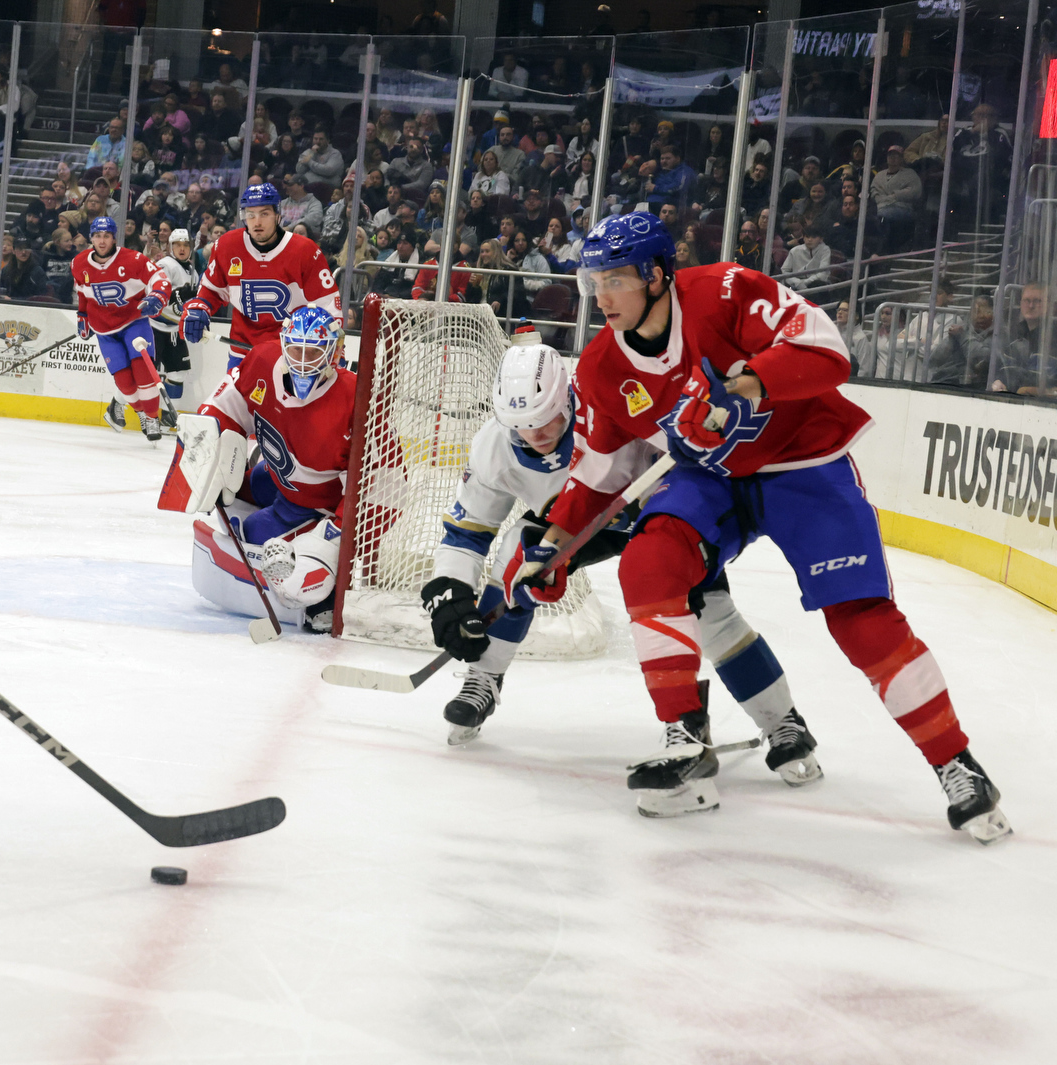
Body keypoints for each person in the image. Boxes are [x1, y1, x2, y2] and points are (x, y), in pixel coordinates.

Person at [513, 210, 1009, 842]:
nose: (602, 296)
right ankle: (685, 744)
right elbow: (603, 473)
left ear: (658, 276)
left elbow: (828, 349)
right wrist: (553, 545)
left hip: (803, 459)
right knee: (650, 561)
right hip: (710, 480)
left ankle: (957, 766)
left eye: (616, 279)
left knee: (860, 618)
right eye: (594, 281)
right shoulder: (601, 369)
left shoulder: (726, 291)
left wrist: (747, 383)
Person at [421, 325, 820, 774]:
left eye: (547, 421)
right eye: (521, 427)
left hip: (655, 520)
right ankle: (482, 680)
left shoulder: (611, 411)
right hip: (564, 528)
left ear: (567, 400)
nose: (535, 436)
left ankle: (784, 724)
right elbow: (467, 533)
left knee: (711, 613)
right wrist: (450, 589)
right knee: (517, 558)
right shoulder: (493, 446)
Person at [178, 306, 356, 633]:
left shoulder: (356, 398)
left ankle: (324, 587)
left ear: (335, 353)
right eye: (296, 348)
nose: (302, 359)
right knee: (241, 490)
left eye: (314, 351)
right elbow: (223, 406)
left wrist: (332, 537)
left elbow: (380, 492)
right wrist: (206, 449)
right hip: (277, 475)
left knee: (251, 533)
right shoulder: (263, 358)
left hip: (316, 504)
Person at [183, 182, 341, 368]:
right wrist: (199, 308)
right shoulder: (227, 246)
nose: (257, 222)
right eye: (251, 215)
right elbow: (212, 291)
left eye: (264, 214)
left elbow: (328, 306)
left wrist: (336, 349)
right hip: (242, 353)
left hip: (292, 353)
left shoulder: (305, 251)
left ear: (278, 215)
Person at [73, 216, 174, 440]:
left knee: (144, 373)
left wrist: (157, 294)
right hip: (104, 330)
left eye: (106, 236)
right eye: (98, 236)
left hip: (133, 322)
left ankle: (152, 417)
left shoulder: (133, 259)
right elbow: (82, 291)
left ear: (114, 238)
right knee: (125, 383)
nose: (101, 241)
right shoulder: (78, 263)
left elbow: (160, 278)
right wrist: (82, 314)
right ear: (92, 238)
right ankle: (140, 414)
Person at [149, 228, 197, 418]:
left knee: (178, 374)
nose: (182, 248)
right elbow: (155, 293)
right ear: (170, 246)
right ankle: (128, 408)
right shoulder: (165, 265)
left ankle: (168, 416)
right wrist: (177, 294)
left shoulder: (193, 272)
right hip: (154, 327)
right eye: (177, 244)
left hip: (175, 330)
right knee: (146, 375)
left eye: (186, 245)